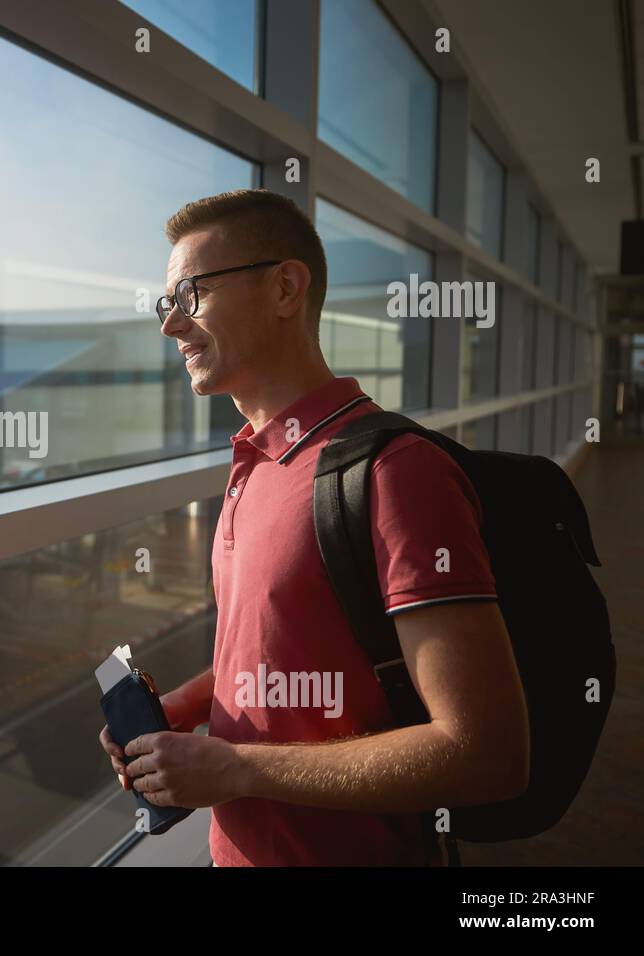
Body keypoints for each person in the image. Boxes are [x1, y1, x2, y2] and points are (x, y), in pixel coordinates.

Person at [99, 189, 529, 866]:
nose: (170, 326)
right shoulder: (254, 463)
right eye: (166, 304)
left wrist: (237, 768)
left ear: (284, 288)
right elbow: (293, 643)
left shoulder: (396, 473)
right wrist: (192, 703)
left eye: (190, 294)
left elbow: (486, 755)